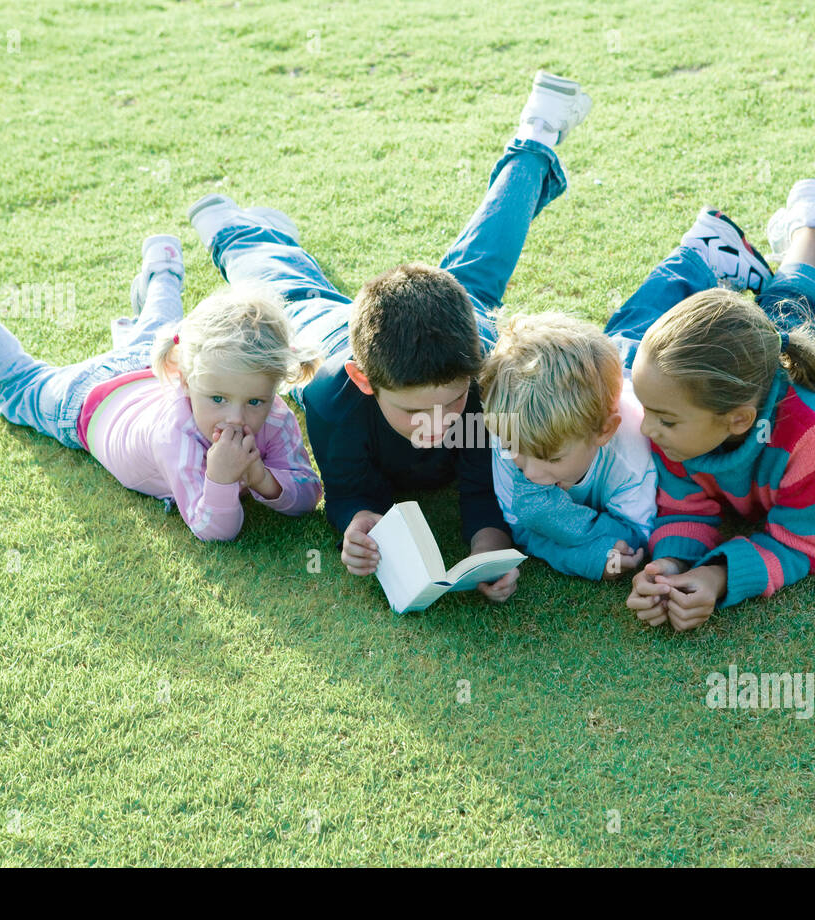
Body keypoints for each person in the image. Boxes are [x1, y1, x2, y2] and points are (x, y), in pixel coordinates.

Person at [187, 70, 591, 602]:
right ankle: (235, 229)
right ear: (365, 382)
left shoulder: (487, 384)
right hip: (337, 338)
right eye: (414, 412)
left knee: (483, 263)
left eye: (451, 404)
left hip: (461, 324)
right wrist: (356, 526)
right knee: (288, 296)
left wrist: (488, 551)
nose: (439, 423)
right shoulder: (334, 394)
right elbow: (351, 493)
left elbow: (482, 485)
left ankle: (537, 132)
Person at [611, 179, 815, 631]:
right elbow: (684, 507)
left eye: (664, 419)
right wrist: (669, 566)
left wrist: (718, 577)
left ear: (738, 420)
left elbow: (799, 543)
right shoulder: (679, 408)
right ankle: (807, 231)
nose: (646, 428)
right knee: (783, 307)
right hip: (772, 373)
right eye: (649, 410)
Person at [0, 236, 322, 541]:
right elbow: (211, 527)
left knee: (156, 330)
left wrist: (264, 479)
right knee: (16, 385)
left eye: (256, 401)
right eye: (218, 400)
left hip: (144, 364)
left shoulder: (274, 415)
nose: (236, 418)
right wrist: (222, 479)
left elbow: (307, 493)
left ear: (274, 390)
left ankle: (164, 264)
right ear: (183, 378)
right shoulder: (178, 433)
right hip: (88, 401)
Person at [478, 312, 657, 581]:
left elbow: (636, 538)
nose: (531, 475)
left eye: (552, 459)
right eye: (514, 450)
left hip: (635, 358)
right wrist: (588, 558)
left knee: (650, 310)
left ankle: (694, 267)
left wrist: (545, 516)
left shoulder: (632, 453)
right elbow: (520, 529)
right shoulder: (509, 428)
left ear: (604, 431)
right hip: (605, 372)